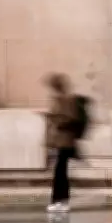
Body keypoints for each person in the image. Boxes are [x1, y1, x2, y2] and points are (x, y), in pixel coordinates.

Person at [44, 73, 79, 214]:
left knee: (60, 172)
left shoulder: (65, 100)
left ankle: (60, 201)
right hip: (62, 141)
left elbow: (69, 118)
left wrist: (54, 117)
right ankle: (60, 200)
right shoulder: (62, 99)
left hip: (65, 141)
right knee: (60, 172)